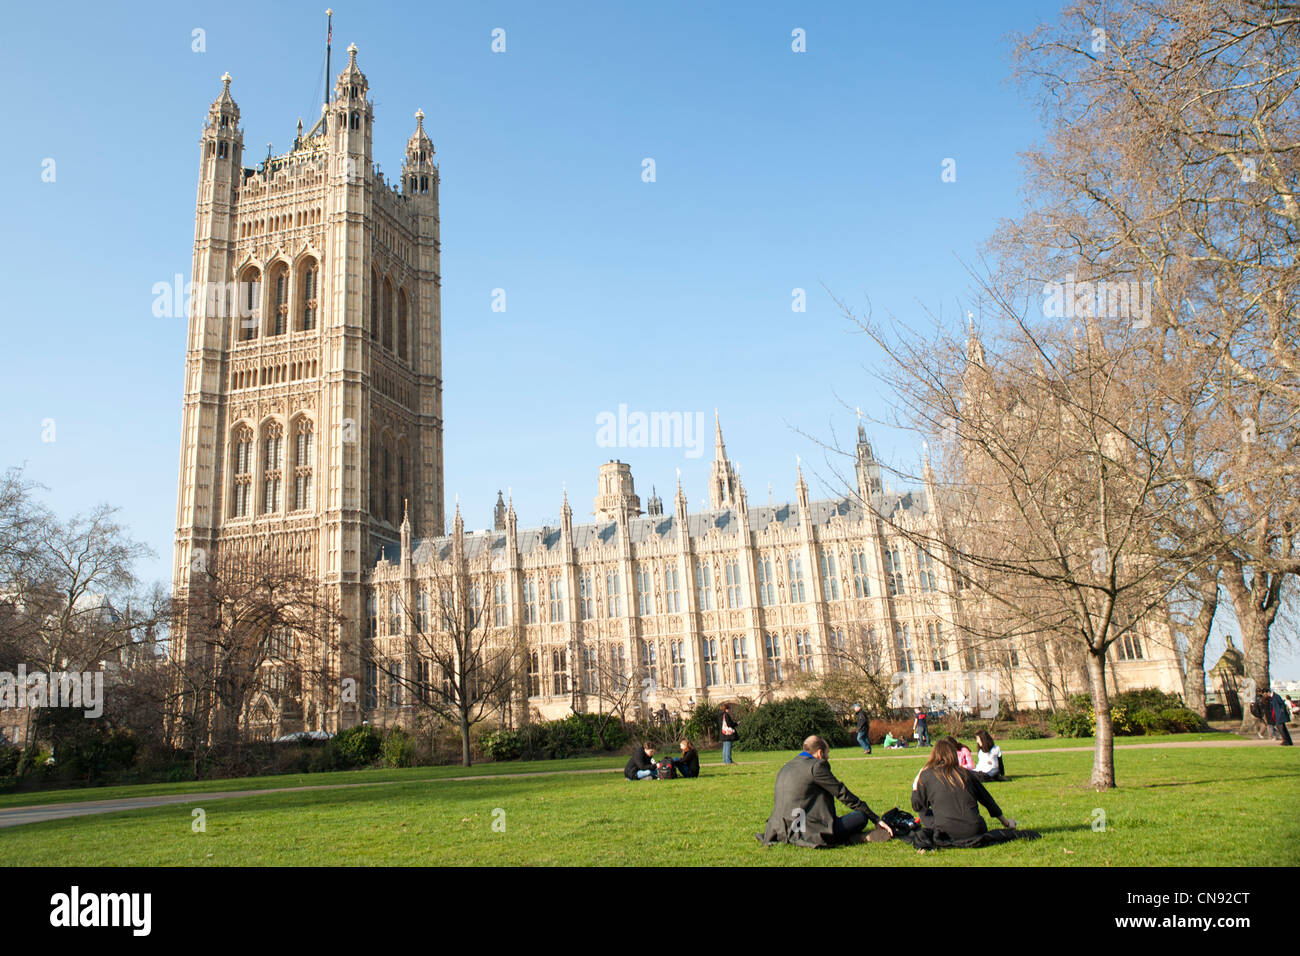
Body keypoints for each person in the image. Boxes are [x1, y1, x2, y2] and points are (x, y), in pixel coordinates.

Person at [758, 735, 892, 847]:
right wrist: (875, 818)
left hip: (779, 828)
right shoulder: (817, 766)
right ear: (820, 753)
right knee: (860, 817)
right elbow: (842, 793)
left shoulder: (786, 766)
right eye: (827, 754)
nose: (828, 758)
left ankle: (851, 837)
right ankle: (854, 838)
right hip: (807, 829)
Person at [910, 737, 1017, 847]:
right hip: (974, 830)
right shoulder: (966, 774)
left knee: (923, 811)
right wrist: (1006, 823)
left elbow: (917, 806)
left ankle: (938, 825)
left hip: (945, 832)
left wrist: (915, 787)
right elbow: (988, 801)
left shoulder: (927, 775)